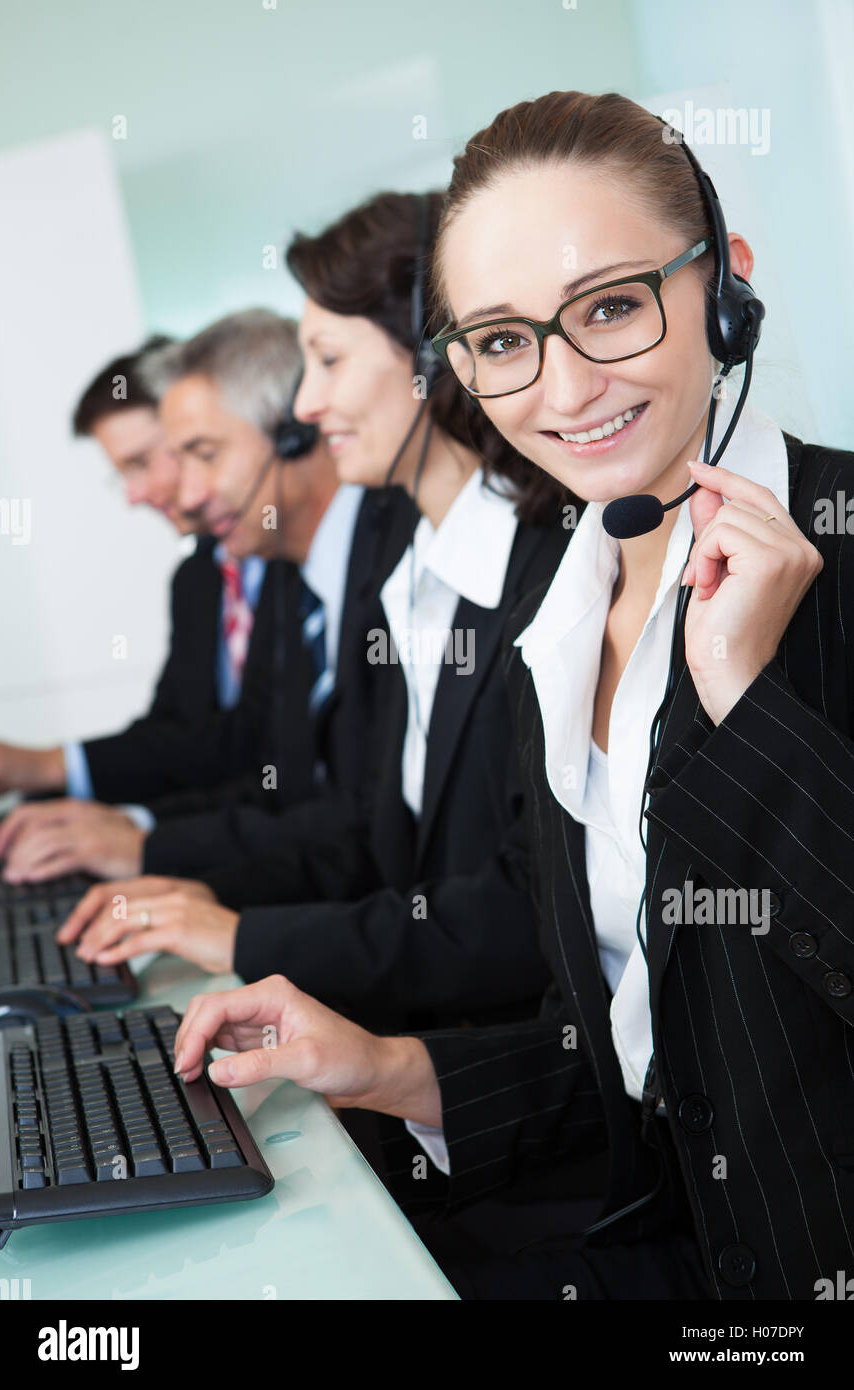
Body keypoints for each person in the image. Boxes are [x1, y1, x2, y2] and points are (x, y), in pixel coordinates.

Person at [169, 90, 854, 1301]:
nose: (562, 386)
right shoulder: (560, 613)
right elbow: (622, 1060)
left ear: (726, 291)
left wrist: (749, 712)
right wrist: (380, 1063)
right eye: (499, 340)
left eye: (610, 308)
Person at [56, 191, 564, 1039]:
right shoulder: (406, 578)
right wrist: (207, 899)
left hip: (516, 1078)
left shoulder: (538, 569)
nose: (305, 406)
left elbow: (523, 910)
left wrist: (240, 930)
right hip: (431, 1040)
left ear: (432, 359)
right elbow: (375, 839)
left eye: (328, 361)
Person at [0, 310, 379, 882]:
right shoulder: (201, 577)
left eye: (149, 460)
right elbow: (181, 734)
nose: (141, 492)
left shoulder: (303, 559)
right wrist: (118, 819)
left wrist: (131, 829)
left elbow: (253, 754)